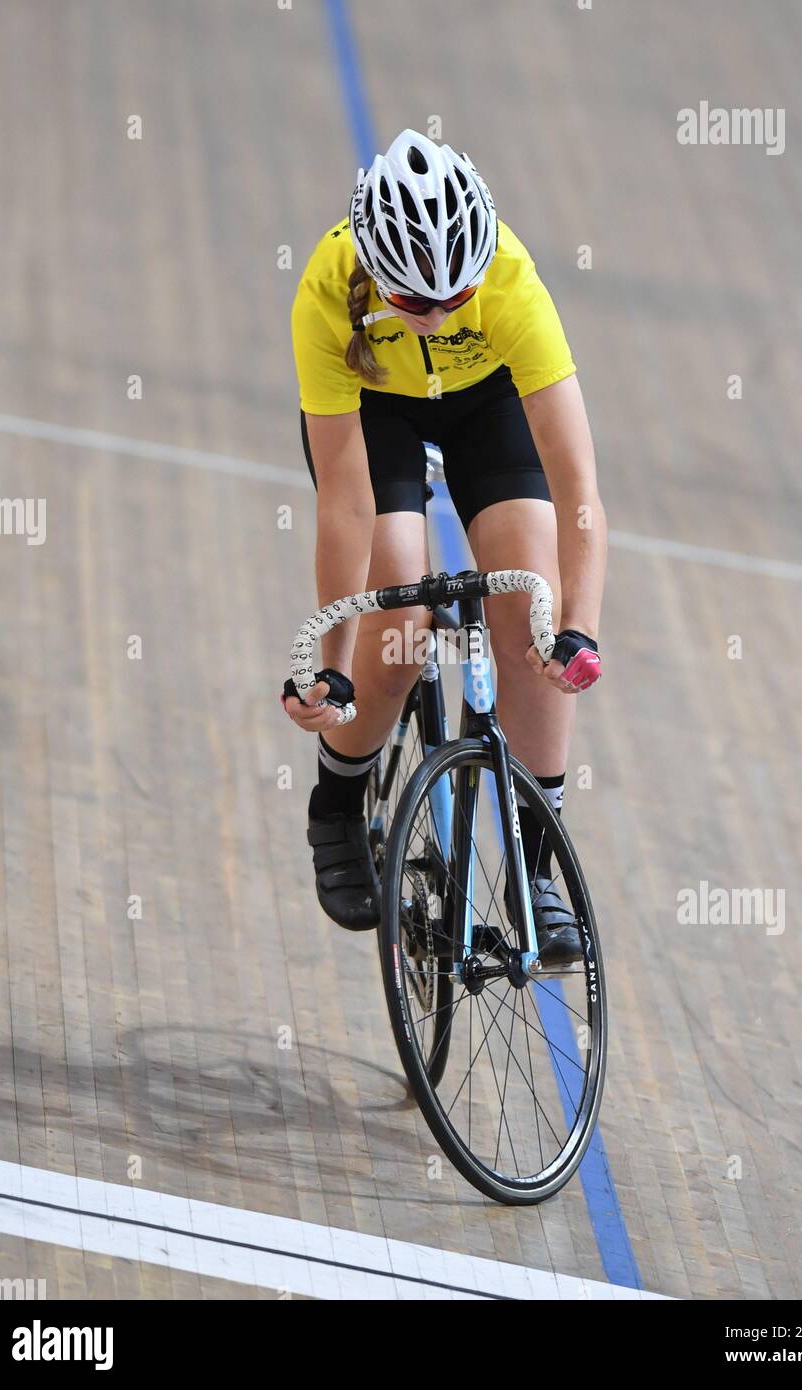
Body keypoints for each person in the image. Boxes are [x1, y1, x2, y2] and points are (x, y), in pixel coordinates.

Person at [283, 129, 607, 964]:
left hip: (484, 408)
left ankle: (535, 864)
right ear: (378, 277)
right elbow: (347, 507)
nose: (442, 315)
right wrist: (335, 664)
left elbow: (577, 493)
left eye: (457, 297)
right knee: (399, 629)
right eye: (418, 304)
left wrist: (580, 631)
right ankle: (336, 802)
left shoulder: (506, 280)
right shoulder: (327, 290)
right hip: (377, 415)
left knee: (530, 603)